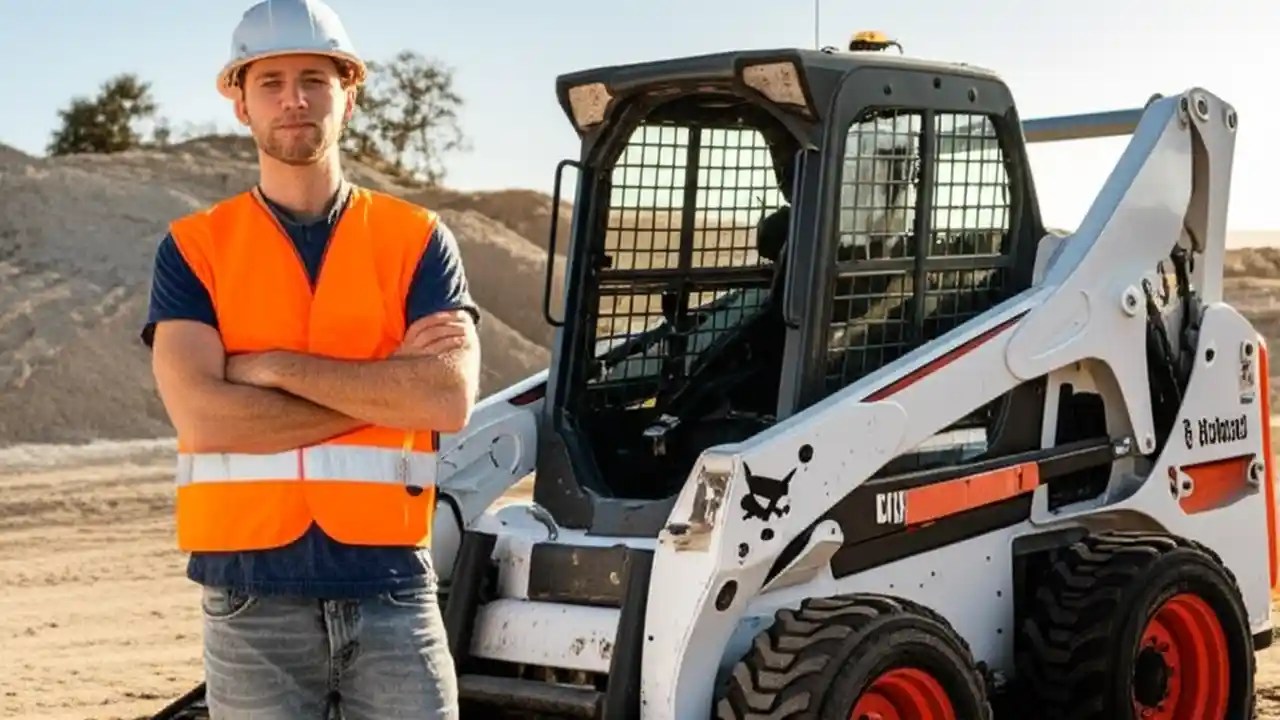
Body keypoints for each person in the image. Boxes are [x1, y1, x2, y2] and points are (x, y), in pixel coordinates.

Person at [141, 0, 477, 717]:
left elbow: (446, 400)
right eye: (271, 82)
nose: (293, 99)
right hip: (249, 597)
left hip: (394, 588)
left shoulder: (417, 239)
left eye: (314, 80)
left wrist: (269, 366)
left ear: (349, 95)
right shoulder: (195, 249)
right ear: (241, 104)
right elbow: (205, 418)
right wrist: (385, 391)